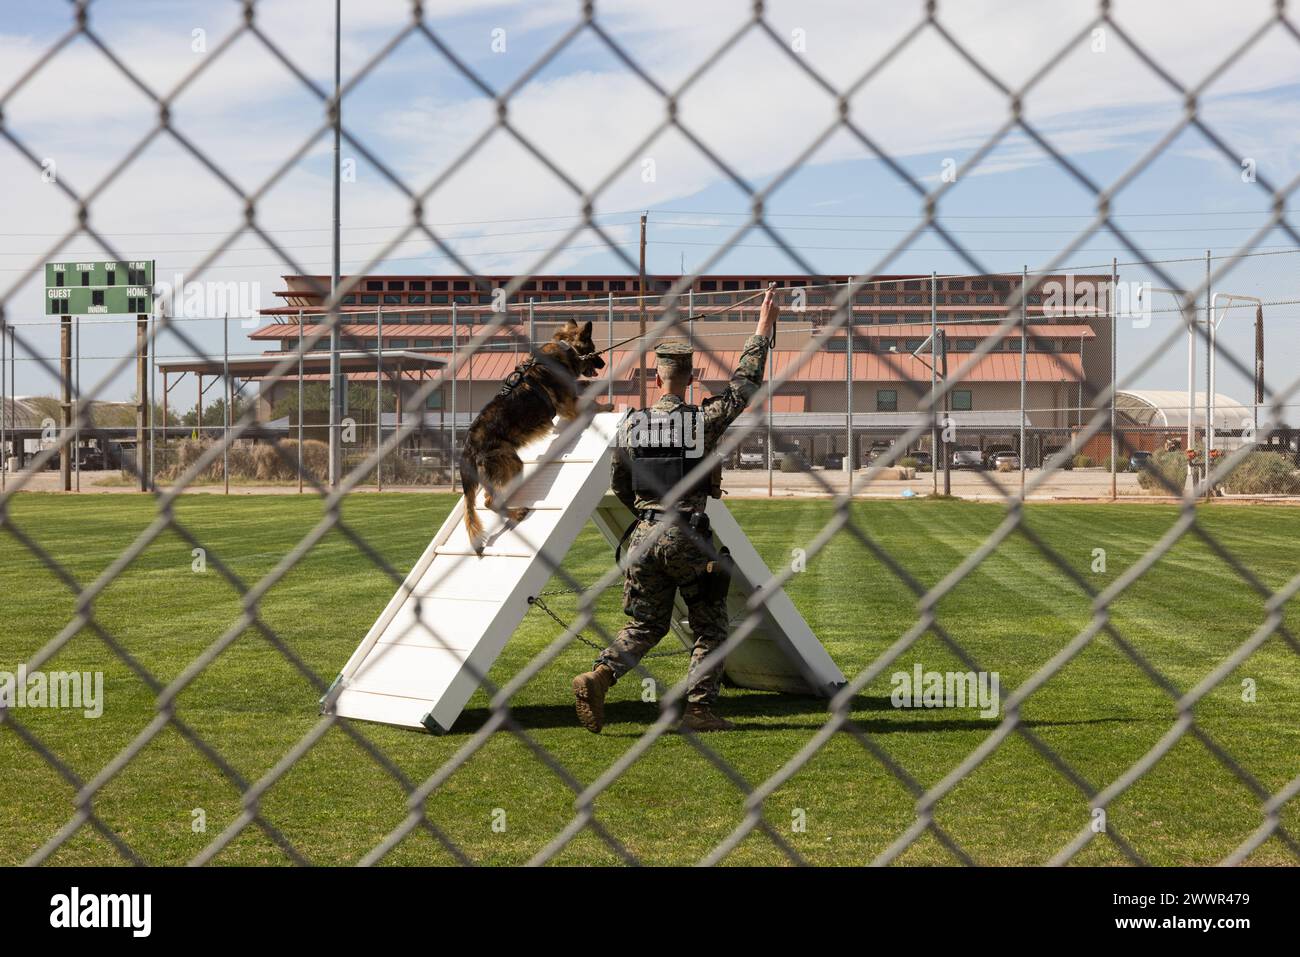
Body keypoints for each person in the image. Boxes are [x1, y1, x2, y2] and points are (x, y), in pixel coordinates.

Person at [572, 287, 779, 733]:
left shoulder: (631, 425)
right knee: (710, 628)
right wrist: (763, 328)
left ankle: (600, 675)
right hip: (687, 532)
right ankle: (700, 710)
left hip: (644, 534)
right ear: (692, 375)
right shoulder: (704, 421)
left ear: (656, 378)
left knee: (646, 624)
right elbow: (745, 384)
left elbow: (619, 484)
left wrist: (648, 515)